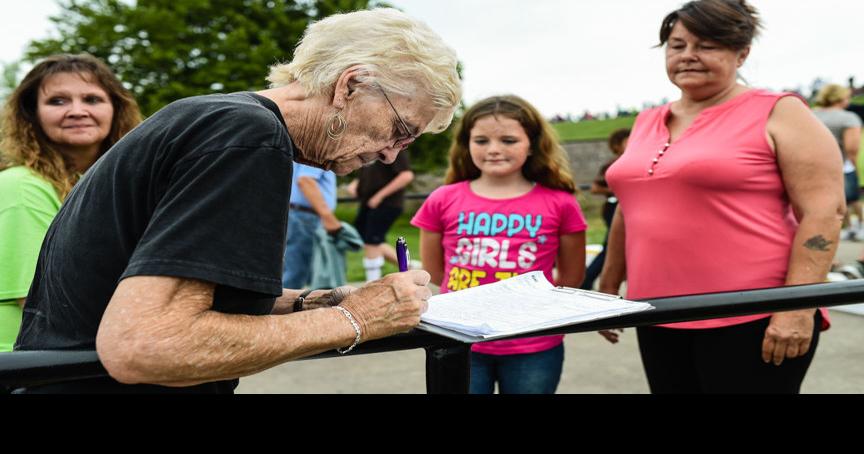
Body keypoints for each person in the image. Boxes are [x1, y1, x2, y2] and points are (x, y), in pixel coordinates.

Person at [12, 8, 461, 393]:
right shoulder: (251, 139)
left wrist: (315, 301)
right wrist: (356, 319)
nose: (391, 153)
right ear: (350, 85)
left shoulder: (215, 118)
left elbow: (172, 292)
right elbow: (144, 345)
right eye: (401, 130)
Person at [597, 0, 844, 394]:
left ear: (742, 53)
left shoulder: (780, 112)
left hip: (753, 315)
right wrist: (609, 286)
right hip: (659, 312)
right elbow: (633, 206)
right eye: (677, 45)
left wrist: (798, 307)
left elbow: (824, 212)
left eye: (707, 45)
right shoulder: (647, 120)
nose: (689, 56)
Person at [412, 95, 587, 394]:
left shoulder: (561, 203)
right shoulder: (442, 199)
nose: (494, 150)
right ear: (467, 144)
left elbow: (571, 277)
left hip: (533, 343)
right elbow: (435, 272)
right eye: (481, 140)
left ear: (532, 144)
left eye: (508, 140)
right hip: (458, 340)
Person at [0, 54, 142, 352]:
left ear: (116, 109)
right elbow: (49, 302)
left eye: (92, 99)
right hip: (25, 367)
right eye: (58, 101)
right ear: (31, 114)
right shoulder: (22, 186)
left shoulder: (118, 187)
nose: (77, 111)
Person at [347, 151, 414, 281]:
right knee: (367, 239)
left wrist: (380, 196)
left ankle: (372, 282)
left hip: (386, 203)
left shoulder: (395, 147)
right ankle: (410, 267)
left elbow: (406, 175)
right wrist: (356, 185)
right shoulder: (369, 147)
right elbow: (368, 173)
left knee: (372, 242)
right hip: (368, 203)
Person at [580, 128, 630, 290]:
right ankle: (587, 280)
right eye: (628, 140)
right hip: (613, 208)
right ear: (617, 145)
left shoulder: (633, 160)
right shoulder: (612, 164)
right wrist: (618, 189)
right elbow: (595, 188)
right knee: (610, 247)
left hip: (627, 208)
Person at [812, 84, 862, 240]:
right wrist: (855, 168)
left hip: (812, 167)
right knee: (851, 198)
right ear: (840, 98)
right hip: (839, 165)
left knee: (825, 204)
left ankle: (847, 227)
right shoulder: (848, 118)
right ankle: (859, 225)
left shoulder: (811, 114)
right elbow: (852, 148)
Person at [281, 162, 340, 289]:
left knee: (302, 267)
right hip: (306, 216)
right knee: (297, 269)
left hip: (303, 215)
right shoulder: (317, 155)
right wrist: (327, 216)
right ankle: (279, 307)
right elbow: (305, 180)